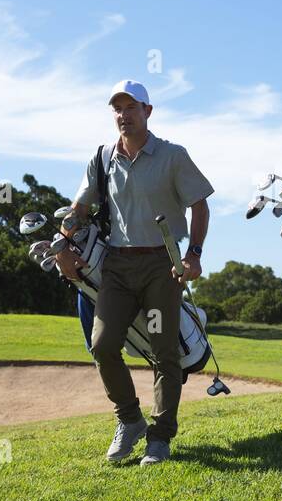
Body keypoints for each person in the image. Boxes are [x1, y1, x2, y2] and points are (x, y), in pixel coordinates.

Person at [56, 79, 214, 465]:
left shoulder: (173, 155)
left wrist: (193, 255)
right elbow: (79, 210)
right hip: (118, 266)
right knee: (103, 344)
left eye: (131, 107)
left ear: (148, 111)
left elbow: (201, 207)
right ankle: (130, 420)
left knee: (164, 351)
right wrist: (61, 246)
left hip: (162, 265)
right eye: (118, 109)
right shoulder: (102, 157)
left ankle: (160, 437)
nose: (123, 115)